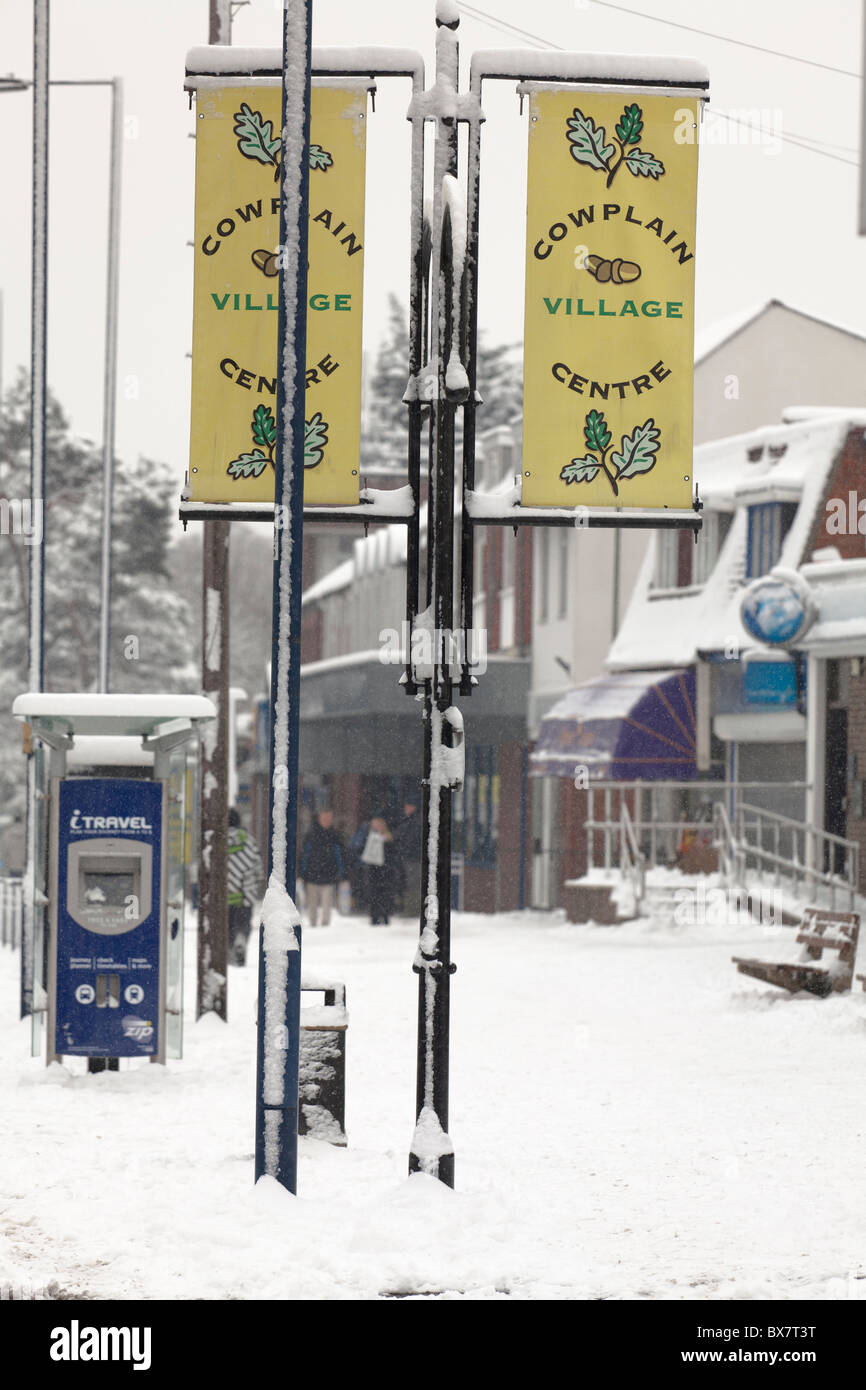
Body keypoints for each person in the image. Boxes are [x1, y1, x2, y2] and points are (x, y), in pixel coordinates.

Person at [227, 807, 264, 966]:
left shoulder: (218, 840)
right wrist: (257, 880)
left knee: (227, 926)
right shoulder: (249, 841)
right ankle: (241, 939)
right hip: (245, 893)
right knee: (243, 923)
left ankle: (229, 950)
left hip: (225, 894)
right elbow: (257, 867)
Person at [298, 808, 345, 927]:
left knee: (327, 905)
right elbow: (304, 855)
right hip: (312, 876)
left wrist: (341, 873)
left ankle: (325, 926)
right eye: (324, 817)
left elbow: (340, 855)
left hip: (329, 876)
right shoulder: (311, 834)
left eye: (329, 818)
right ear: (319, 818)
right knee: (311, 905)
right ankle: (312, 924)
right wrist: (302, 873)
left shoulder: (335, 835)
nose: (327, 820)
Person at [361, 814, 397, 925]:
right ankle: (374, 917)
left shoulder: (388, 838)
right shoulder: (367, 836)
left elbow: (393, 853)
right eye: (375, 825)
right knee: (374, 894)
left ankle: (385, 916)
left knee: (385, 894)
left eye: (379, 825)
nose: (377, 827)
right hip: (373, 870)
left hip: (386, 870)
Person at [392, 798, 422, 918]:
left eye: (408, 806)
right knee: (410, 883)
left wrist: (404, 850)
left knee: (412, 884)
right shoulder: (411, 821)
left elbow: (409, 839)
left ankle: (412, 910)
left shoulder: (414, 822)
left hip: (412, 858)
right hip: (410, 858)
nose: (406, 809)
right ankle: (411, 909)